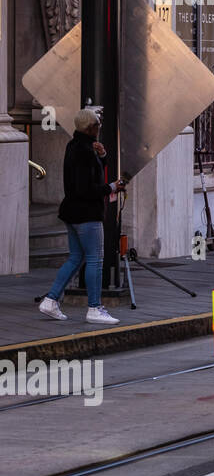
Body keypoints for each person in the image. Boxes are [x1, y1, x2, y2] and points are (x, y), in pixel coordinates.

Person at [39, 109, 127, 325]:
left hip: (71, 212)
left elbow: (92, 175)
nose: (100, 128)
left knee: (76, 258)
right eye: (98, 125)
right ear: (91, 128)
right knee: (95, 260)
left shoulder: (75, 146)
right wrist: (111, 187)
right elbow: (87, 188)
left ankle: (50, 301)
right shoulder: (85, 151)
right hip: (86, 214)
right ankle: (94, 308)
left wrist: (103, 156)